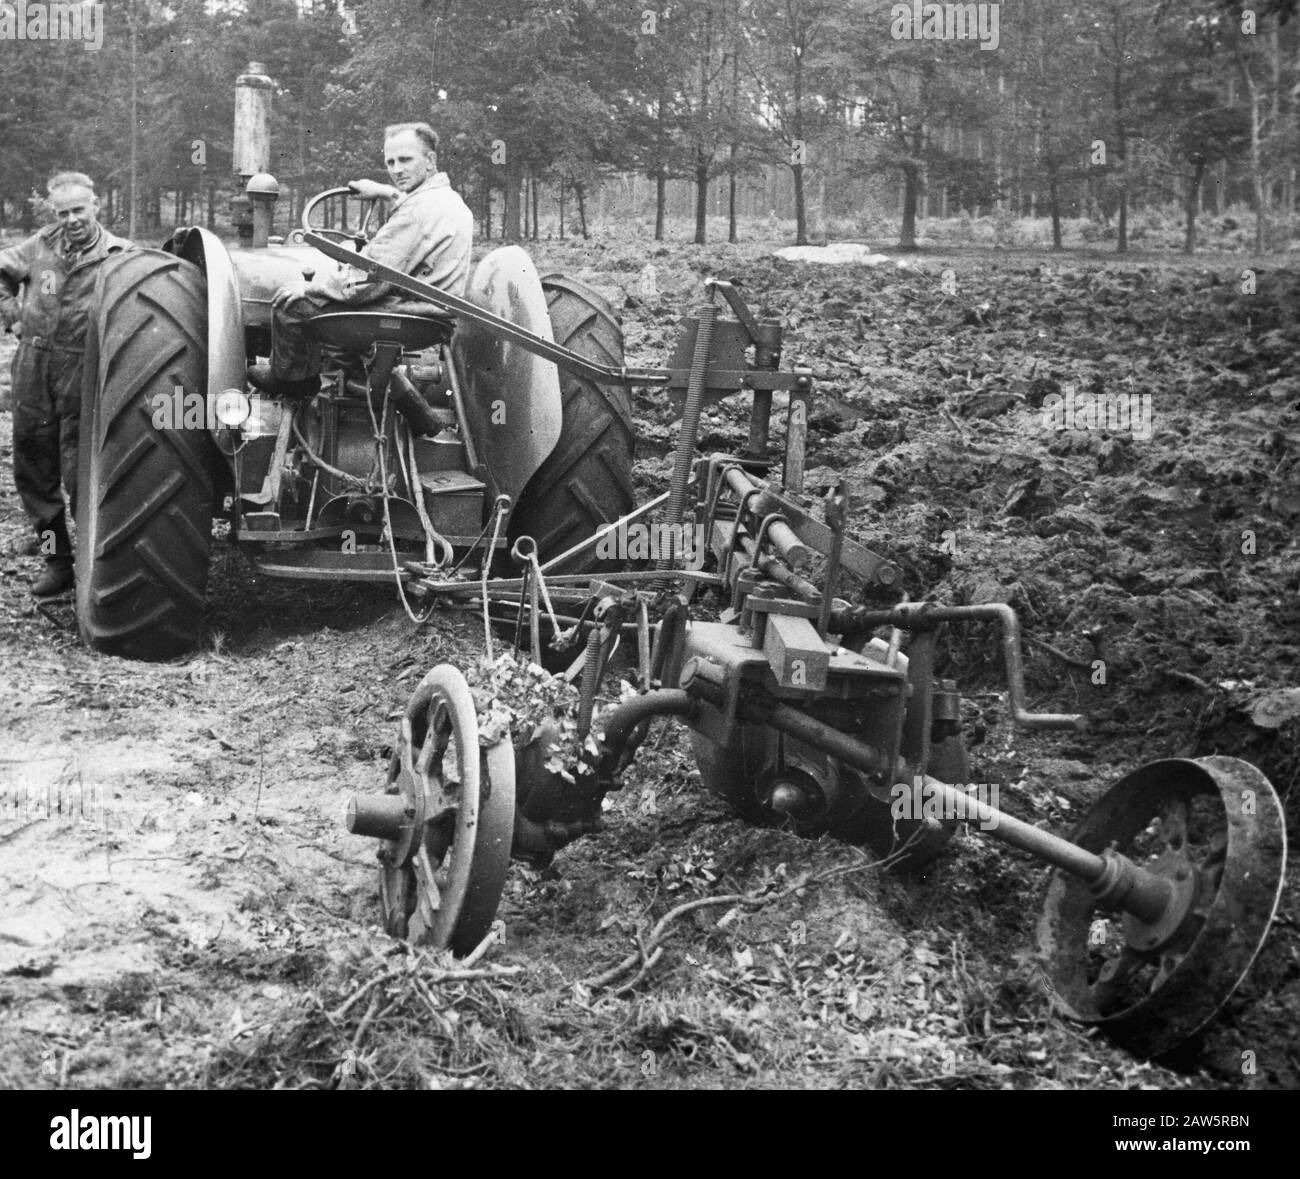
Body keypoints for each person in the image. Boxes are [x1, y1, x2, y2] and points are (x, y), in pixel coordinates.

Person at [258, 122, 474, 398]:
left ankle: (293, 384)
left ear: (430, 160)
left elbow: (367, 279)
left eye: (406, 160)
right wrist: (386, 192)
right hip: (434, 319)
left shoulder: (417, 211)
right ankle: (354, 374)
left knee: (291, 305)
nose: (396, 170)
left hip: (408, 313)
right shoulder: (449, 201)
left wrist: (312, 288)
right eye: (391, 162)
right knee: (333, 301)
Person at [0, 172, 132, 596]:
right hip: (34, 369)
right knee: (35, 475)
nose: (71, 219)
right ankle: (58, 561)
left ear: (95, 206)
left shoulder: (119, 255)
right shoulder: (39, 246)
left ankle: (98, 568)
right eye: (63, 213)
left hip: (86, 375)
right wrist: (12, 315)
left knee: (84, 477)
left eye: (78, 210)